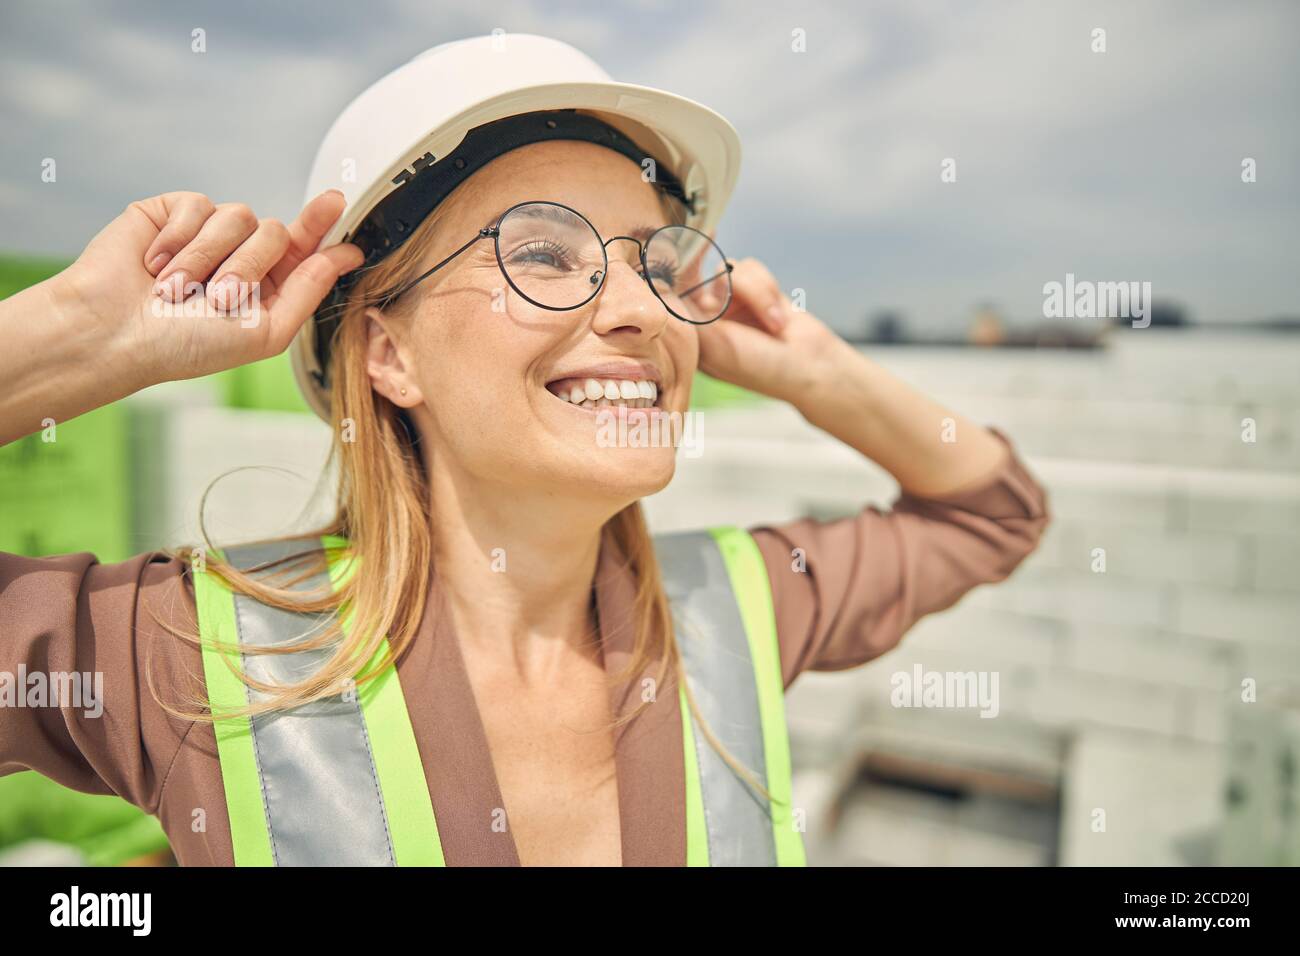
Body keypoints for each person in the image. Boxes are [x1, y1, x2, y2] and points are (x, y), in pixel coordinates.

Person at [0, 34, 1049, 866]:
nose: (641, 308)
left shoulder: (735, 609)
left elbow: (992, 511)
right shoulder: (200, 655)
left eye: (661, 263)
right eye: (543, 251)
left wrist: (815, 369)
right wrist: (70, 343)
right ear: (386, 351)